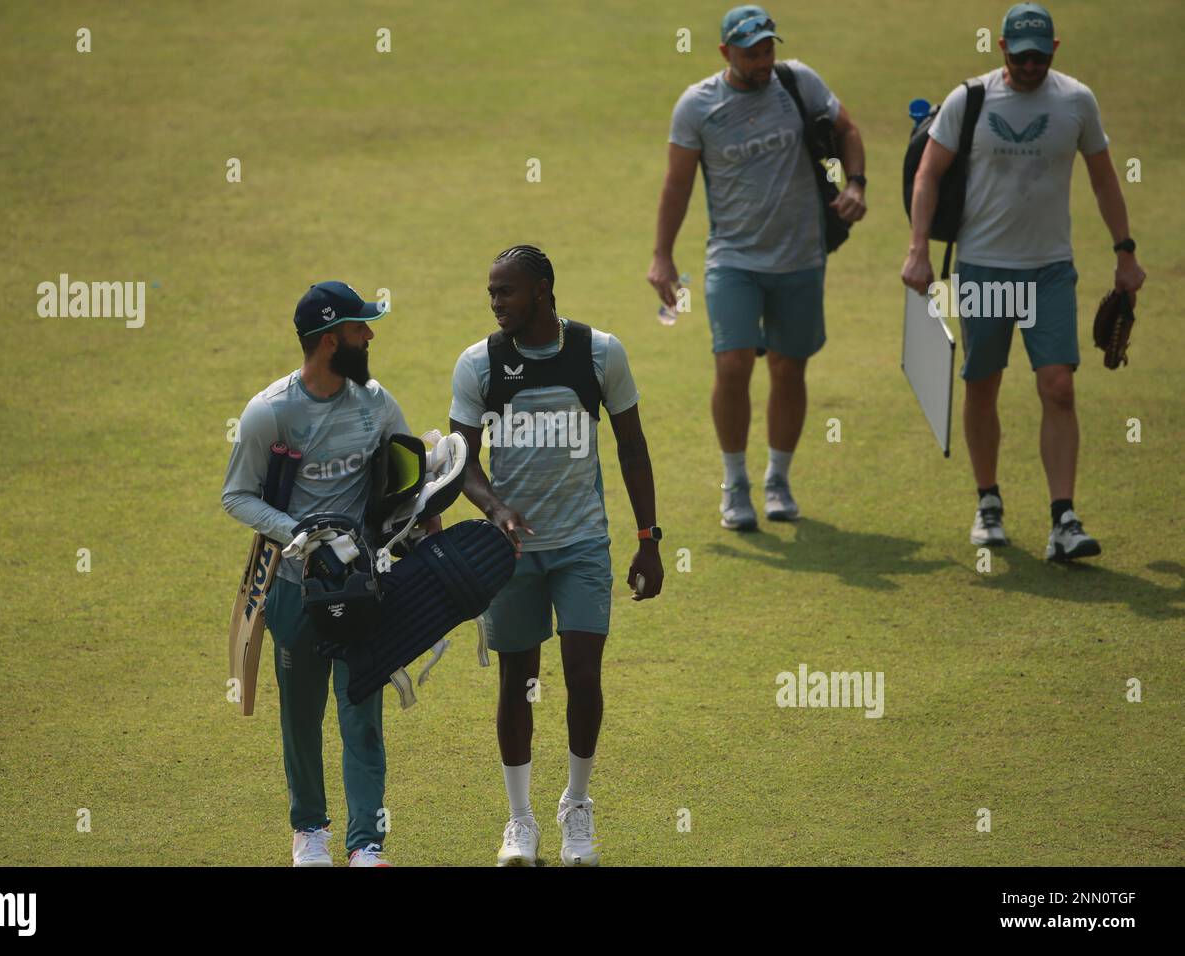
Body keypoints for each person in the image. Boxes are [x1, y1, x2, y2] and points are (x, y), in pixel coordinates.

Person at [901, 2, 1146, 560]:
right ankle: (988, 501)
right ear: (1002, 48)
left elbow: (1105, 180)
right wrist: (918, 250)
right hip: (984, 266)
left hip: (1049, 270)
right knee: (982, 383)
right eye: (1020, 55)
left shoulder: (1076, 101)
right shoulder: (971, 99)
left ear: (1053, 50)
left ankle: (1064, 518)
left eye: (1039, 56)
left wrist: (1125, 253)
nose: (1030, 65)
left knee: (1059, 386)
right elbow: (928, 174)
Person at [449, 245, 663, 866]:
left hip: (581, 545)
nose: (495, 303)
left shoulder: (599, 354)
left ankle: (577, 805)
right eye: (491, 292)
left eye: (506, 291)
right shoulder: (480, 364)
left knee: (584, 675)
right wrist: (497, 510)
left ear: (542, 289)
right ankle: (520, 822)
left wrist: (649, 541)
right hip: (509, 552)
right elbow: (461, 462)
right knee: (519, 679)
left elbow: (633, 449)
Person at [222, 280, 430, 867]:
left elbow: (403, 481)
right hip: (293, 590)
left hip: (363, 589)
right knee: (301, 712)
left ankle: (367, 843)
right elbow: (237, 496)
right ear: (332, 340)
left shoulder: (376, 401)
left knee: (361, 709)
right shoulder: (270, 413)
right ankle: (309, 833)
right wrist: (299, 535)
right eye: (362, 327)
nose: (370, 335)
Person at [648, 4, 867, 530]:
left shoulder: (799, 82)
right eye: (752, 52)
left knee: (789, 368)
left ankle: (777, 480)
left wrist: (856, 183)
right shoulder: (697, 105)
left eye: (769, 48)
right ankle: (735, 483)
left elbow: (848, 130)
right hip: (733, 259)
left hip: (801, 257)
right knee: (732, 365)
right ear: (726, 53)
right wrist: (662, 256)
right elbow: (677, 184)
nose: (764, 59)